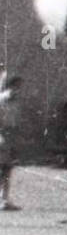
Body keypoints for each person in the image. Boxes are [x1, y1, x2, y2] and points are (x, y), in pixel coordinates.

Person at [0, 73, 21, 210]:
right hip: (3, 136)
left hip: (9, 136)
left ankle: (4, 199)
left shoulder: (13, 101)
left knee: (7, 169)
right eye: (16, 86)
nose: (18, 90)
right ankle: (3, 200)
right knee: (4, 168)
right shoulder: (3, 100)